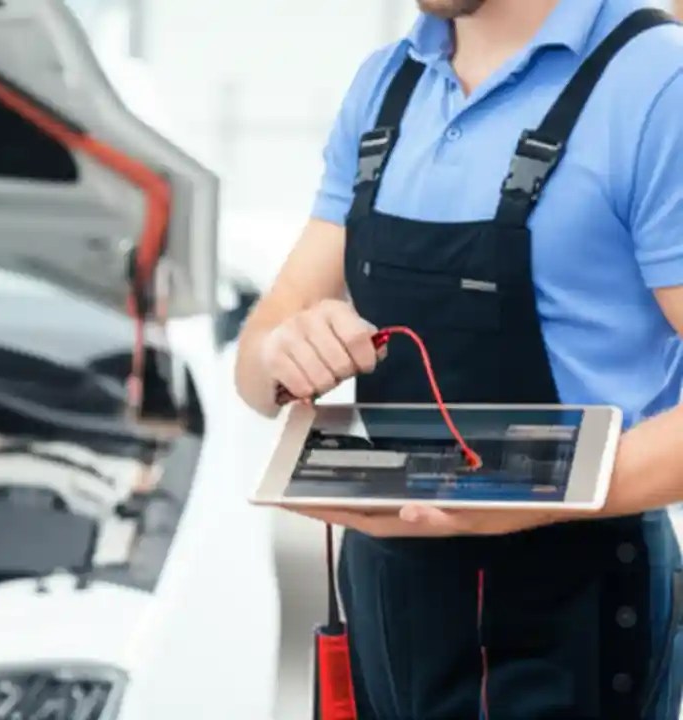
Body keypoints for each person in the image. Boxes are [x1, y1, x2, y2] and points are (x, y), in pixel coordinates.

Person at [234, 0, 683, 717]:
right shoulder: (388, 84)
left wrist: (525, 502)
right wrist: (281, 353)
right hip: (384, 602)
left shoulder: (659, 83)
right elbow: (258, 362)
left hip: (572, 611)